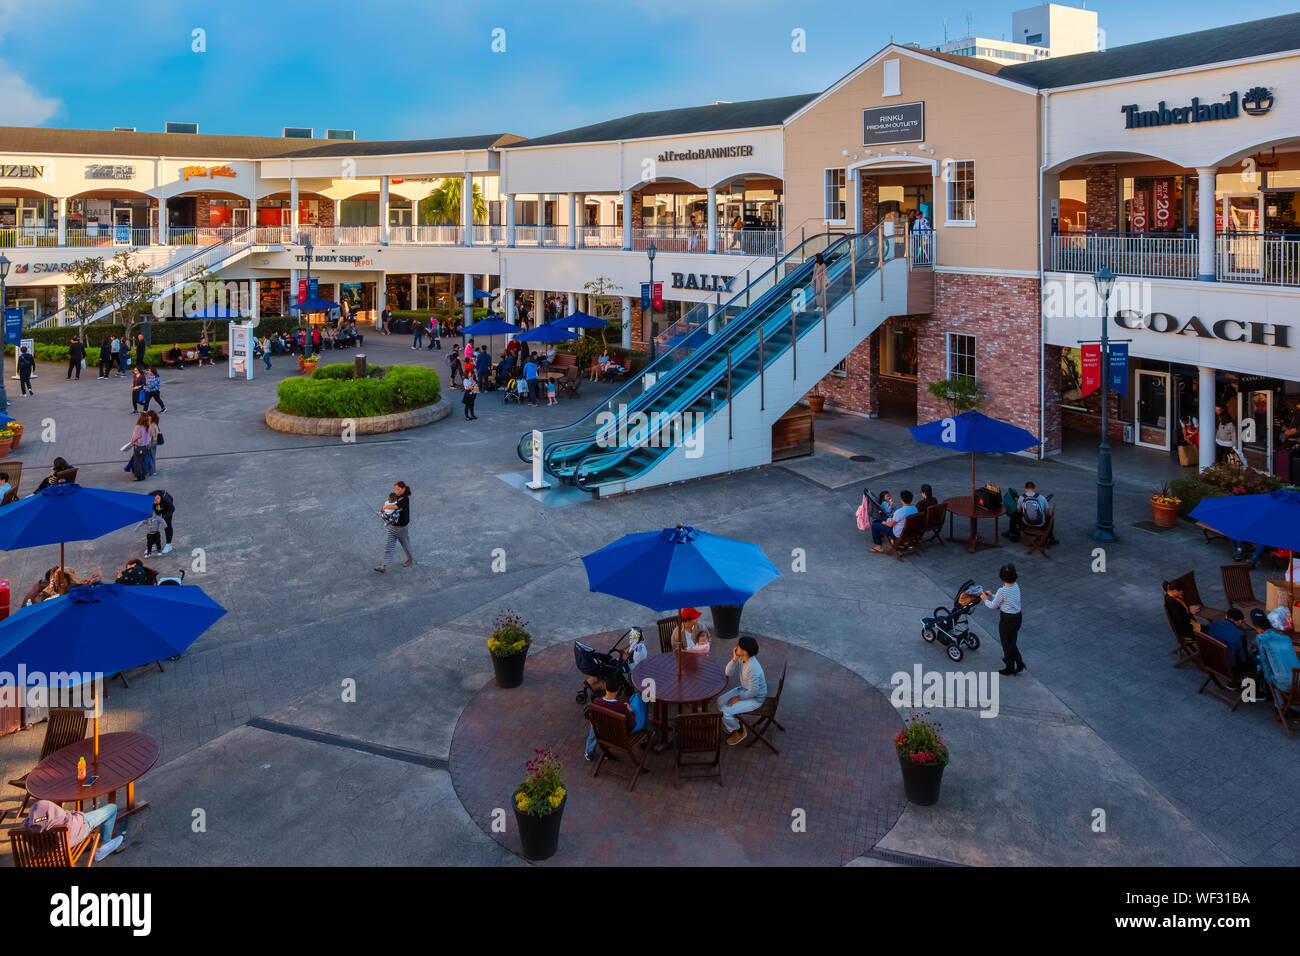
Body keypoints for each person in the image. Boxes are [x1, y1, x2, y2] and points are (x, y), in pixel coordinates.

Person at [21, 799, 125, 862]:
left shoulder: (27, 828)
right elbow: (79, 819)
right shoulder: (66, 825)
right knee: (112, 808)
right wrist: (74, 813)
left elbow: (31, 822)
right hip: (75, 833)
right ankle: (103, 847)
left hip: (48, 848)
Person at [717, 636, 767, 746]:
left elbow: (754, 691)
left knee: (725, 711)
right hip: (744, 690)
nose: (736, 647)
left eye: (738, 646)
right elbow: (728, 673)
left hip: (755, 698)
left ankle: (739, 731)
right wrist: (734, 658)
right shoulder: (742, 658)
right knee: (720, 702)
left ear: (745, 652)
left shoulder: (753, 668)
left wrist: (738, 698)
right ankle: (733, 723)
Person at [584, 677, 645, 761]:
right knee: (638, 701)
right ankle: (647, 733)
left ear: (605, 686)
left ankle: (589, 751)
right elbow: (631, 726)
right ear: (618, 689)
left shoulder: (597, 701)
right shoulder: (622, 706)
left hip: (602, 733)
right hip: (619, 737)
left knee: (595, 721)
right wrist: (630, 712)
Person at [982, 563, 1024, 675]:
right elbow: (1007, 599)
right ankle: (1019, 663)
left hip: (1007, 620)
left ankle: (1010, 666)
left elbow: (993, 606)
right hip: (1017, 617)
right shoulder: (1016, 585)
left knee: (1006, 643)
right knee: (1012, 642)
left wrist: (985, 599)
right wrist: (992, 595)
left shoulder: (1002, 590)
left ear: (1001, 577)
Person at [374, 480, 413, 573]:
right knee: (389, 546)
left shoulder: (405, 499)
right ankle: (383, 566)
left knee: (405, 545)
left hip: (401, 528)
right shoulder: (397, 496)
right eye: (395, 489)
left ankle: (410, 559)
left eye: (398, 489)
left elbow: (396, 507)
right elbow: (391, 501)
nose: (396, 491)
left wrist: (384, 507)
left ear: (403, 489)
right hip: (392, 526)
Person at [1207, 607, 1254, 672]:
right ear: (1240, 621)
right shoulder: (1240, 636)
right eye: (1242, 622)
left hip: (1214, 661)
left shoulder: (1213, 624)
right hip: (1231, 668)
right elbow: (1244, 659)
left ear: (1226, 617)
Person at [128, 413, 151, 481]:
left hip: (138, 447)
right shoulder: (148, 426)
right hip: (146, 447)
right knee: (144, 461)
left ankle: (138, 476)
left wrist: (132, 443)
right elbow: (150, 436)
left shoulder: (138, 427)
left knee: (137, 462)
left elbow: (134, 437)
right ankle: (144, 473)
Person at [145, 410, 161, 477]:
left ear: (151, 417)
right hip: (152, 442)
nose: (147, 417)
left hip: (152, 443)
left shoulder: (153, 425)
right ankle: (151, 470)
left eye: (148, 416)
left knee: (151, 457)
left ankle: (152, 471)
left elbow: (154, 436)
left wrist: (149, 445)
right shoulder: (153, 423)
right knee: (151, 457)